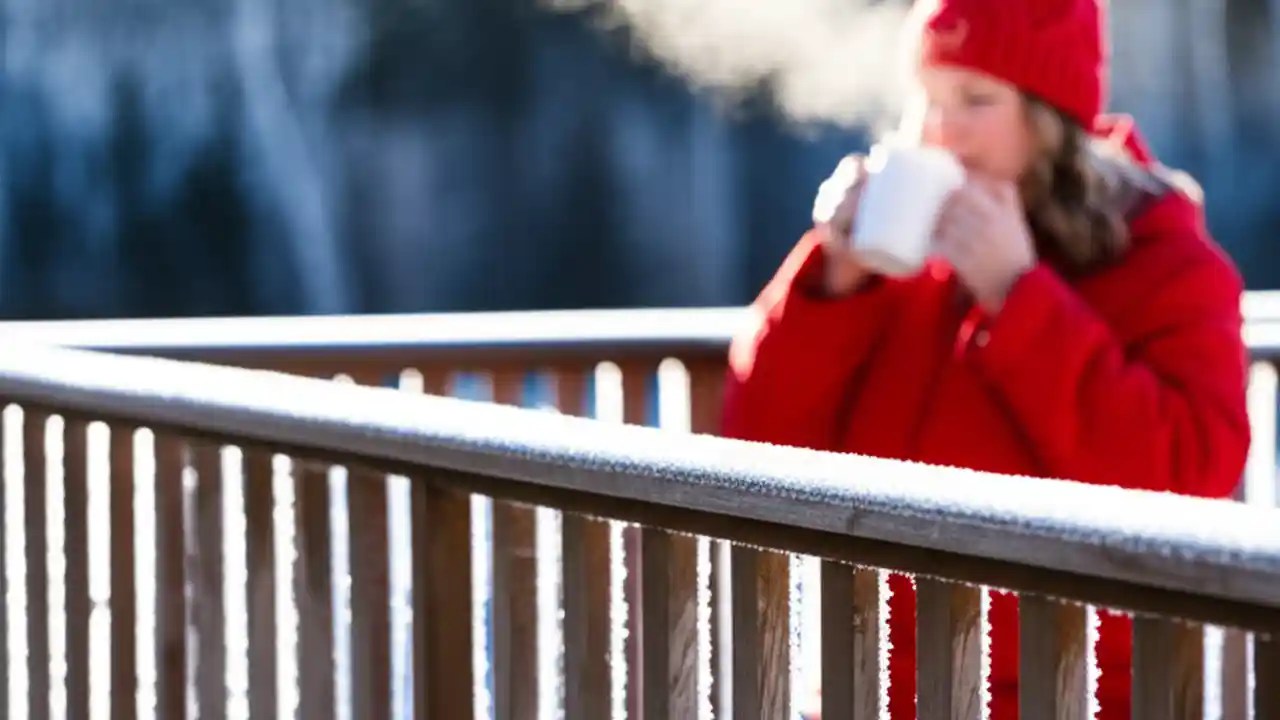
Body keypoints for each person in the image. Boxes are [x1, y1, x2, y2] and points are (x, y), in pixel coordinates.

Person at [719, 0, 1252, 717]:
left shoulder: (1163, 260)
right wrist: (835, 279)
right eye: (931, 99)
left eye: (976, 99)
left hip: (1073, 694)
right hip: (873, 686)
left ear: (1052, 117)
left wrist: (1018, 296)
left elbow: (1187, 474)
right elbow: (759, 443)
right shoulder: (902, 261)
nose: (943, 128)